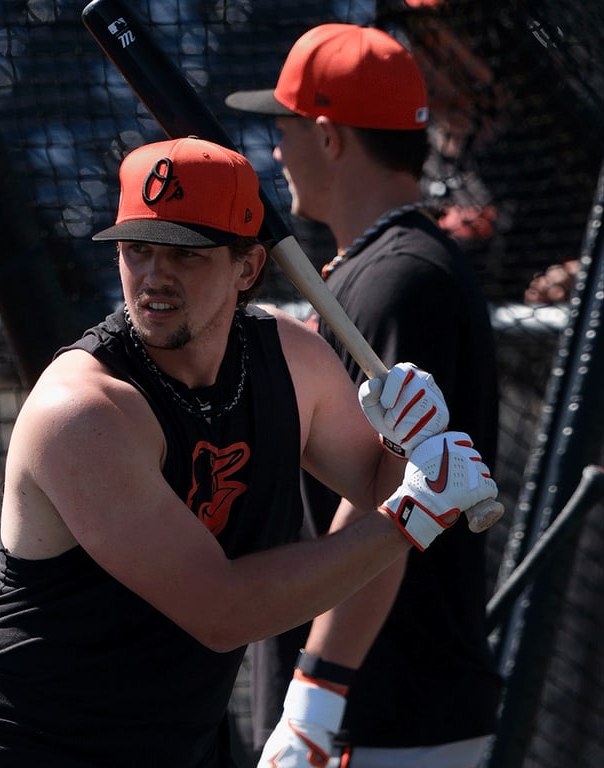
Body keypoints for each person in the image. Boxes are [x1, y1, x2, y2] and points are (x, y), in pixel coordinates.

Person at [0, 136, 498, 766]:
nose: (155, 277)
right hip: (18, 748)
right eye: (137, 249)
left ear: (246, 268)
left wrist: (401, 441)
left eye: (185, 254)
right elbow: (222, 611)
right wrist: (414, 513)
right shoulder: (83, 412)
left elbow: (379, 489)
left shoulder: (290, 360)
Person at [225, 23, 502, 766]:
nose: (274, 150)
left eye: (281, 127)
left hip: (381, 716)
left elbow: (392, 492)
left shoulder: (402, 281)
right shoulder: (378, 269)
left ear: (328, 136)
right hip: (374, 711)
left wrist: (316, 697)